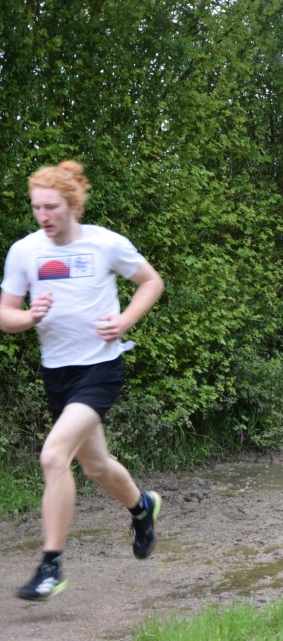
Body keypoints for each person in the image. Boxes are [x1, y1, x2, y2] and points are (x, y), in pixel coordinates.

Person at [1, 161, 165, 602]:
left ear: (72, 205)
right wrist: (28, 317)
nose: (43, 216)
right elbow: (5, 315)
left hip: (100, 369)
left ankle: (50, 565)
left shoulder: (105, 243)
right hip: (58, 374)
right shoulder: (24, 252)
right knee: (95, 466)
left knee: (54, 456)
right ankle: (142, 507)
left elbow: (151, 282)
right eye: (37, 207)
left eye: (51, 207)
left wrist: (125, 320)